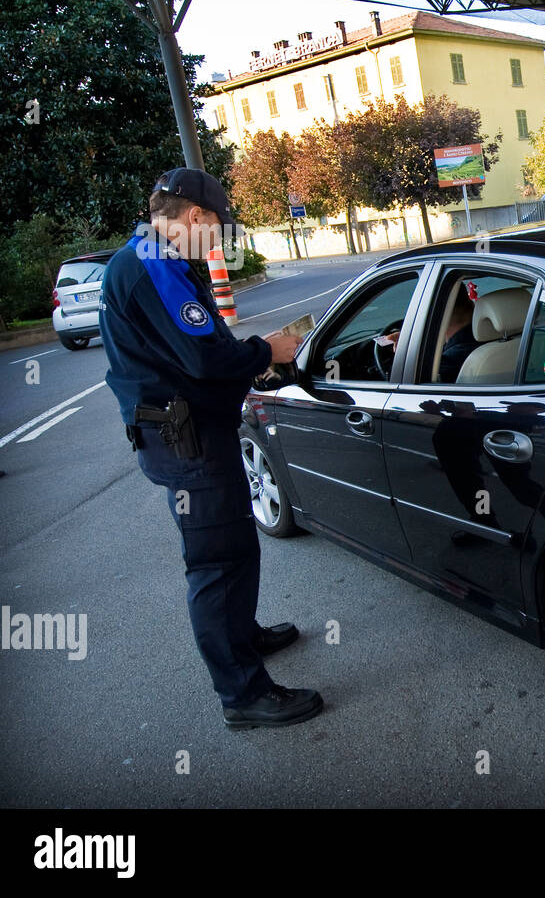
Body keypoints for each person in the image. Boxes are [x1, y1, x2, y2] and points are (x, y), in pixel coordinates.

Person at [99, 167, 323, 730]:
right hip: (187, 444)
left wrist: (247, 367)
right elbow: (204, 359)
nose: (219, 240)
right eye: (217, 227)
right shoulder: (153, 265)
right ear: (194, 218)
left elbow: (192, 351)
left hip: (183, 435)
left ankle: (241, 638)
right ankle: (243, 694)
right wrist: (265, 351)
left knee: (234, 549)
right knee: (217, 565)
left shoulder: (149, 258)